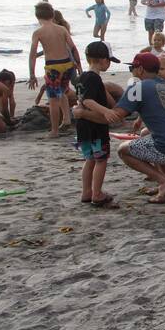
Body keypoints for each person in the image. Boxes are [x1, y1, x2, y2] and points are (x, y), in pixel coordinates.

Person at [98, 52, 165, 204]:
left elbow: (116, 116)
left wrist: (84, 112)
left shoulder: (137, 87)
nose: (132, 72)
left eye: (132, 68)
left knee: (123, 150)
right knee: (152, 138)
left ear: (140, 69)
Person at [71, 42, 120, 207]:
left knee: (89, 159)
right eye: (109, 60)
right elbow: (88, 100)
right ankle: (97, 193)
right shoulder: (94, 78)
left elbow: (81, 100)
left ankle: (86, 192)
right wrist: (105, 111)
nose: (109, 64)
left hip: (83, 127)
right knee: (101, 160)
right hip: (95, 128)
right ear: (103, 60)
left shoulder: (81, 77)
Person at [27, 2, 80, 138]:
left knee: (53, 100)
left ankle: (54, 131)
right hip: (67, 65)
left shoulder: (38, 32)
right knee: (62, 92)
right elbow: (73, 48)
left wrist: (32, 74)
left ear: (37, 16)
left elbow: (33, 54)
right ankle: (66, 120)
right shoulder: (62, 29)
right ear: (52, 15)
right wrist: (78, 65)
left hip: (53, 68)